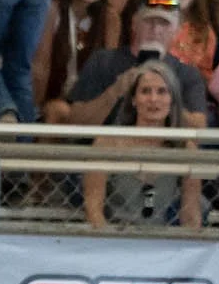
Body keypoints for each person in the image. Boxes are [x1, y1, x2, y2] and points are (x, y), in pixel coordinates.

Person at [65, 0, 211, 131]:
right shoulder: (103, 61)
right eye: (149, 21)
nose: (156, 29)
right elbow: (74, 122)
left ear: (177, 31)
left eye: (164, 23)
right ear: (134, 23)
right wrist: (115, 91)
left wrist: (168, 100)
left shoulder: (187, 74)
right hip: (109, 148)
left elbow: (199, 129)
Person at [82, 56, 201, 228]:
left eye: (162, 91)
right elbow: (93, 211)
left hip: (163, 244)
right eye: (145, 91)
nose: (153, 99)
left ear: (172, 100)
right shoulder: (107, 143)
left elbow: (191, 216)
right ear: (133, 99)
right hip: (114, 241)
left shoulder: (186, 148)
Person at [33, 0, 118, 120]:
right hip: (54, 96)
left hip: (91, 100)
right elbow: (41, 65)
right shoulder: (53, 10)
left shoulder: (110, 17)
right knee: (58, 111)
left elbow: (110, 70)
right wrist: (35, 106)